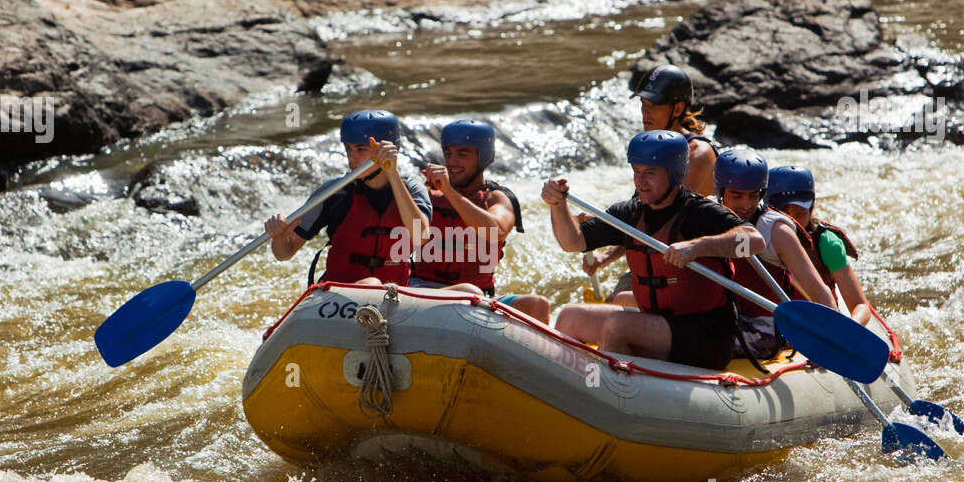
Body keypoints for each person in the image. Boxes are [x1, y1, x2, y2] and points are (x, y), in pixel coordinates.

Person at [543, 130, 764, 368]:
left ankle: (598, 391)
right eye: (636, 171)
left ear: (674, 174)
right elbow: (572, 242)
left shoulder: (698, 212)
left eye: (650, 173)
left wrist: (698, 246)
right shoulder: (630, 213)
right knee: (570, 317)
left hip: (705, 337)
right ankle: (567, 391)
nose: (640, 181)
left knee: (619, 325)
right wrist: (557, 205)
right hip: (657, 324)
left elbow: (753, 241)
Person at [585, 64, 718, 303]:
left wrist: (604, 225)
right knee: (607, 311)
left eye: (655, 106)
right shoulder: (653, 151)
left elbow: (664, 218)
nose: (646, 113)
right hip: (656, 261)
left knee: (615, 308)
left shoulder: (698, 154)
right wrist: (607, 255)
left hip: (691, 268)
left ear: (677, 108)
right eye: (643, 105)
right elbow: (644, 219)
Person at [266, 109, 431, 285]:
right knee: (371, 284)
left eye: (360, 149)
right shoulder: (334, 192)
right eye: (348, 148)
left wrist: (393, 174)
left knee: (465, 289)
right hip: (340, 297)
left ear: (387, 150)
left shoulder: (412, 189)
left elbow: (421, 236)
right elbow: (284, 253)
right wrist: (278, 237)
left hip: (394, 296)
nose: (351, 157)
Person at [411, 120, 551, 323]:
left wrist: (449, 192)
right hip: (420, 290)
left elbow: (497, 230)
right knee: (468, 292)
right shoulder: (425, 193)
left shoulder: (497, 198)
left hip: (479, 298)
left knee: (538, 305)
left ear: (482, 157)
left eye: (463, 154)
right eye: (448, 153)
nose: (452, 162)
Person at [714, 149, 837, 361]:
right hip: (721, 320)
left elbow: (819, 292)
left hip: (765, 330)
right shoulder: (705, 213)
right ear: (720, 191)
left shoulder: (776, 231)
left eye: (754, 195)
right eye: (736, 195)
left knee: (696, 341)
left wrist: (831, 342)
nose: (746, 205)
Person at [766, 165, 874, 327]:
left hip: (818, 325)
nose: (791, 220)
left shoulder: (827, 243)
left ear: (811, 209)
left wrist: (850, 328)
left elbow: (861, 306)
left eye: (800, 213)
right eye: (784, 212)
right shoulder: (757, 233)